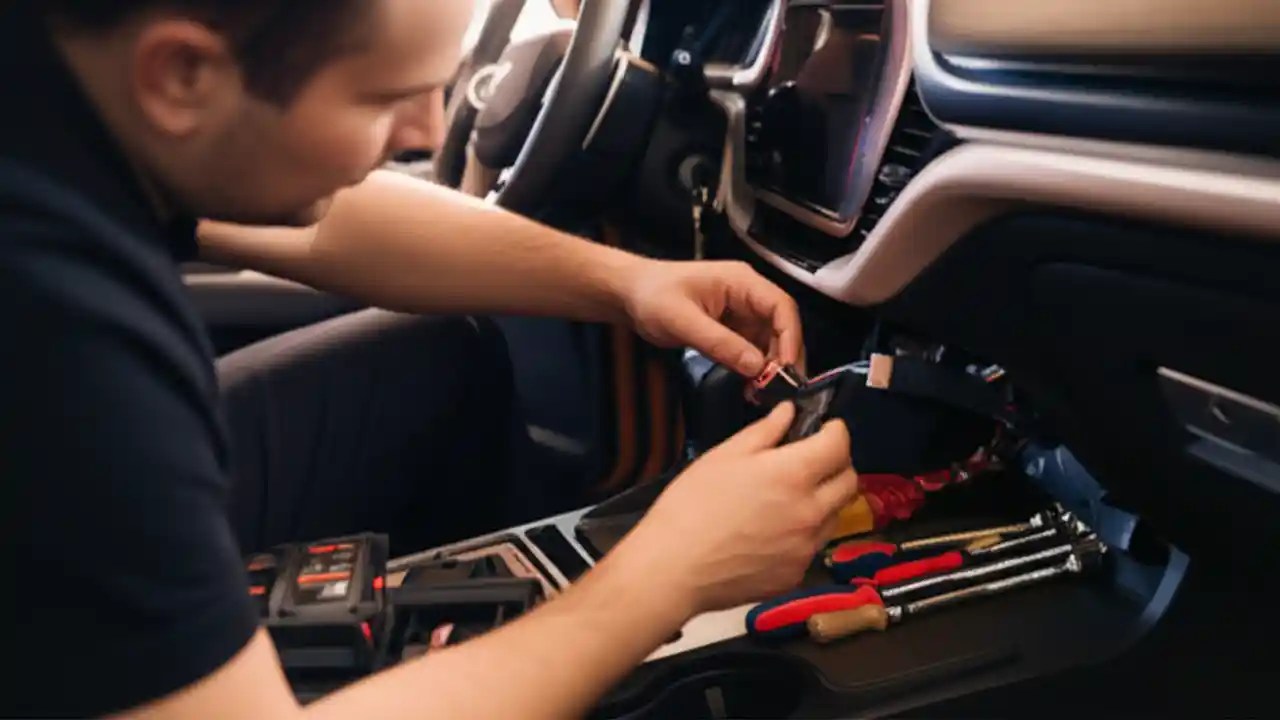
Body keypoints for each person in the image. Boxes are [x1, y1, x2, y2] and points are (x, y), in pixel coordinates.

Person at [0, 1, 859, 718]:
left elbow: (331, 215)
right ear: (181, 76)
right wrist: (664, 578)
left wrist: (628, 280)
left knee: (438, 362)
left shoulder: (69, 91)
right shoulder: (61, 340)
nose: (434, 126)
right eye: (385, 98)